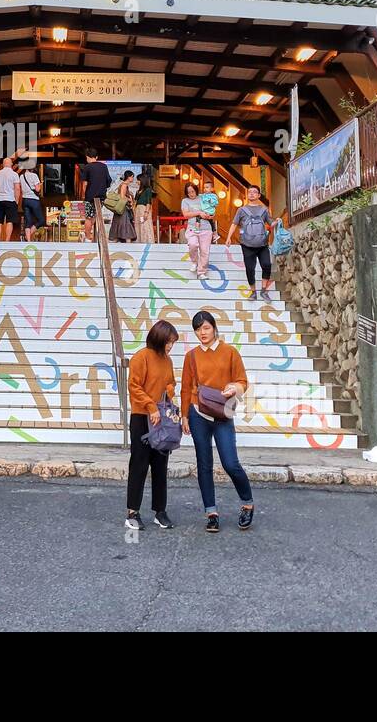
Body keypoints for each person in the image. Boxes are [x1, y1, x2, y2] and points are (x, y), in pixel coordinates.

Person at [179, 310, 254, 532]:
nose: (201, 333)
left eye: (205, 328)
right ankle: (211, 512)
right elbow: (185, 387)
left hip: (222, 414)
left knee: (230, 463)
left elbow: (242, 380)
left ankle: (247, 504)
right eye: (197, 329)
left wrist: (236, 387)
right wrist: (184, 415)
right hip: (197, 414)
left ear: (213, 328)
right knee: (204, 464)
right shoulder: (191, 356)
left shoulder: (230, 352)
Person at [125, 319, 179, 531]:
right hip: (142, 417)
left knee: (160, 465)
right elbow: (134, 387)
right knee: (139, 464)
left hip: (162, 419)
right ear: (158, 338)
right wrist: (151, 407)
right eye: (168, 342)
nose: (170, 346)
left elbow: (171, 382)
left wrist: (170, 390)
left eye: (172, 343)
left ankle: (160, 511)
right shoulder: (141, 357)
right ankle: (132, 512)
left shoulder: (167, 360)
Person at [227, 185, 274, 302]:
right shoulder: (241, 210)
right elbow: (234, 224)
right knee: (250, 268)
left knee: (267, 265)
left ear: (259, 195)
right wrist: (229, 237)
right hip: (246, 244)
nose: (252, 194)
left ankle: (263, 290)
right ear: (247, 195)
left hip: (262, 244)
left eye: (255, 192)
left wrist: (277, 222)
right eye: (250, 192)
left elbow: (270, 223)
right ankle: (253, 292)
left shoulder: (264, 210)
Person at [180, 179, 219, 278]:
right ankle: (194, 262)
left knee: (205, 250)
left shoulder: (202, 197)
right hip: (193, 227)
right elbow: (186, 214)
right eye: (188, 192)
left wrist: (211, 215)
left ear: (196, 190)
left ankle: (201, 272)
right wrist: (199, 213)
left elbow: (212, 208)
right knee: (192, 244)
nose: (191, 194)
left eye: (192, 191)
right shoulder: (185, 201)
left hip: (206, 227)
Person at [79, 148, 112, 241]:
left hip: (90, 197)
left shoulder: (87, 167)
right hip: (101, 196)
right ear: (96, 157)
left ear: (87, 157)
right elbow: (108, 181)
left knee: (88, 217)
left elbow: (85, 184)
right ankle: (93, 236)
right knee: (95, 216)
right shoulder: (104, 167)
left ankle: (87, 237)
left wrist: (84, 195)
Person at [0, 157, 22, 242]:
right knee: (9, 221)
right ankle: (7, 240)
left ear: (3, 164)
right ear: (11, 164)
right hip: (10, 200)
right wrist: (17, 200)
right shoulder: (14, 174)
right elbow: (17, 189)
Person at [108, 170, 137, 243]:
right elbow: (122, 196)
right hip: (123, 208)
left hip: (120, 208)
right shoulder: (124, 185)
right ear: (129, 177)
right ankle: (127, 242)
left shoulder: (123, 185)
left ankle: (118, 241)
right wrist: (129, 199)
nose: (133, 179)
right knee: (125, 224)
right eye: (132, 177)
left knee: (118, 224)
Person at [19, 163, 44, 242]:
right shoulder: (34, 176)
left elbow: (20, 188)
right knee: (41, 221)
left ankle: (28, 240)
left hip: (25, 200)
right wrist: (40, 185)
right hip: (34, 200)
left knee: (28, 221)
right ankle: (29, 234)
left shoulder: (21, 176)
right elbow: (37, 189)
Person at [135, 165, 155, 244]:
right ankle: (139, 242)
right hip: (138, 210)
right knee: (138, 226)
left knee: (145, 226)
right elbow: (135, 202)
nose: (137, 182)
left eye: (138, 180)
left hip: (144, 210)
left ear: (142, 180)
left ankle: (147, 242)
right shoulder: (138, 191)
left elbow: (148, 202)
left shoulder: (148, 190)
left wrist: (146, 212)